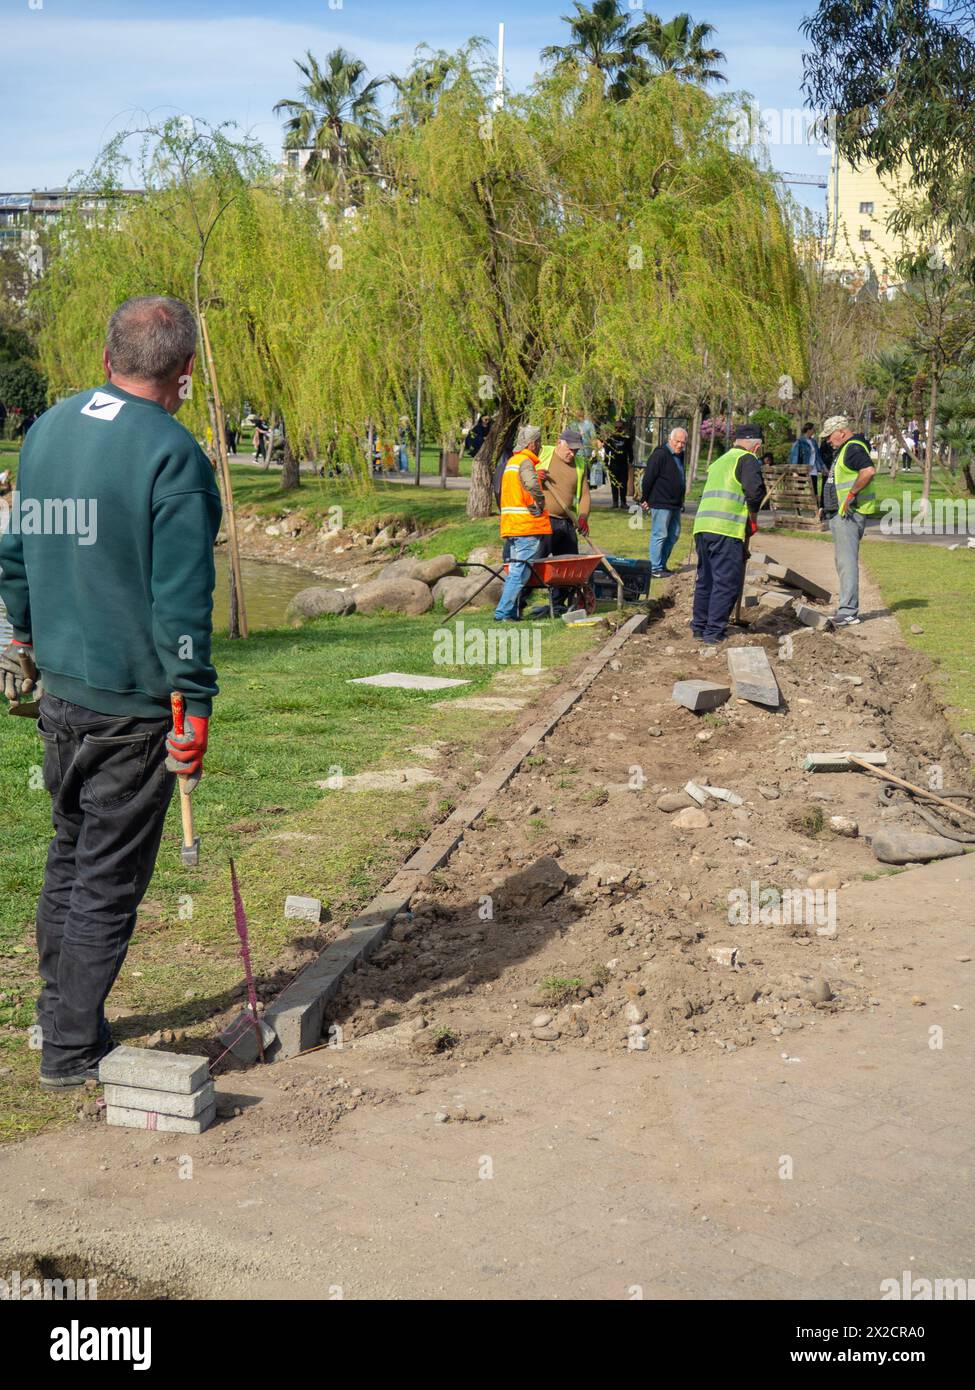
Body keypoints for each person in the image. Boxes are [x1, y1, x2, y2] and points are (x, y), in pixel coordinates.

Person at [0, 294, 221, 1089]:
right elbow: (181, 603)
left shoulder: (48, 428)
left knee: (70, 856)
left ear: (106, 359)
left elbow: (15, 555)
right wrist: (193, 701)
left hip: (60, 690)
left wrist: (25, 637)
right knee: (106, 878)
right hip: (132, 705)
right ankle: (69, 1050)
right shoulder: (175, 457)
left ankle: (56, 1016)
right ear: (185, 371)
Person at [690, 423, 766, 646]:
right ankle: (714, 632)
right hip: (726, 529)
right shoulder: (748, 459)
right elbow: (754, 493)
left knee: (706, 579)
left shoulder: (720, 461)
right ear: (756, 446)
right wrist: (752, 519)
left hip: (703, 527)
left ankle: (699, 627)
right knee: (725, 581)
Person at [820, 413, 878, 626]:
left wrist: (851, 495)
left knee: (846, 562)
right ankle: (846, 608)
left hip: (849, 514)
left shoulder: (852, 448)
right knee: (843, 561)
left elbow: (868, 471)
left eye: (829, 435)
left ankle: (848, 612)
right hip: (842, 513)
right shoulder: (847, 448)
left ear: (841, 432)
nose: (827, 440)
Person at [494, 424, 551, 622]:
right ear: (533, 444)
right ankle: (502, 612)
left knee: (515, 571)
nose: (540, 446)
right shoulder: (525, 463)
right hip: (526, 526)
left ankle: (508, 612)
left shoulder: (512, 462)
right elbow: (531, 484)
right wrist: (540, 501)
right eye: (539, 442)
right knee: (520, 572)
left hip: (512, 526)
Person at [641, 425, 687, 577]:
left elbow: (680, 478)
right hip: (661, 501)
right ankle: (655, 568)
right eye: (677, 441)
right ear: (670, 440)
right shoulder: (660, 455)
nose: (680, 445)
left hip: (675, 503)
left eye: (683, 442)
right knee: (660, 534)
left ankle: (662, 564)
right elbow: (648, 478)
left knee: (674, 534)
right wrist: (645, 498)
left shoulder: (680, 455)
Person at [789, 422, 825, 504]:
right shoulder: (799, 442)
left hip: (813, 469)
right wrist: (794, 471)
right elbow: (795, 456)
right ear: (808, 430)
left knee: (814, 490)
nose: (814, 431)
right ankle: (798, 508)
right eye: (813, 429)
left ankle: (816, 510)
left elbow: (818, 456)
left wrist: (823, 467)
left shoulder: (814, 442)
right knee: (800, 489)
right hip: (803, 469)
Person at [603, 420, 632, 509]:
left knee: (623, 484)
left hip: (623, 465)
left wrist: (631, 461)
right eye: (616, 427)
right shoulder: (611, 438)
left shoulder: (626, 438)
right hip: (613, 465)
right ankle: (615, 502)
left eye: (620, 428)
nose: (618, 429)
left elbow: (630, 451)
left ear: (623, 428)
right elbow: (607, 451)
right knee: (614, 485)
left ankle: (623, 502)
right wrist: (606, 463)